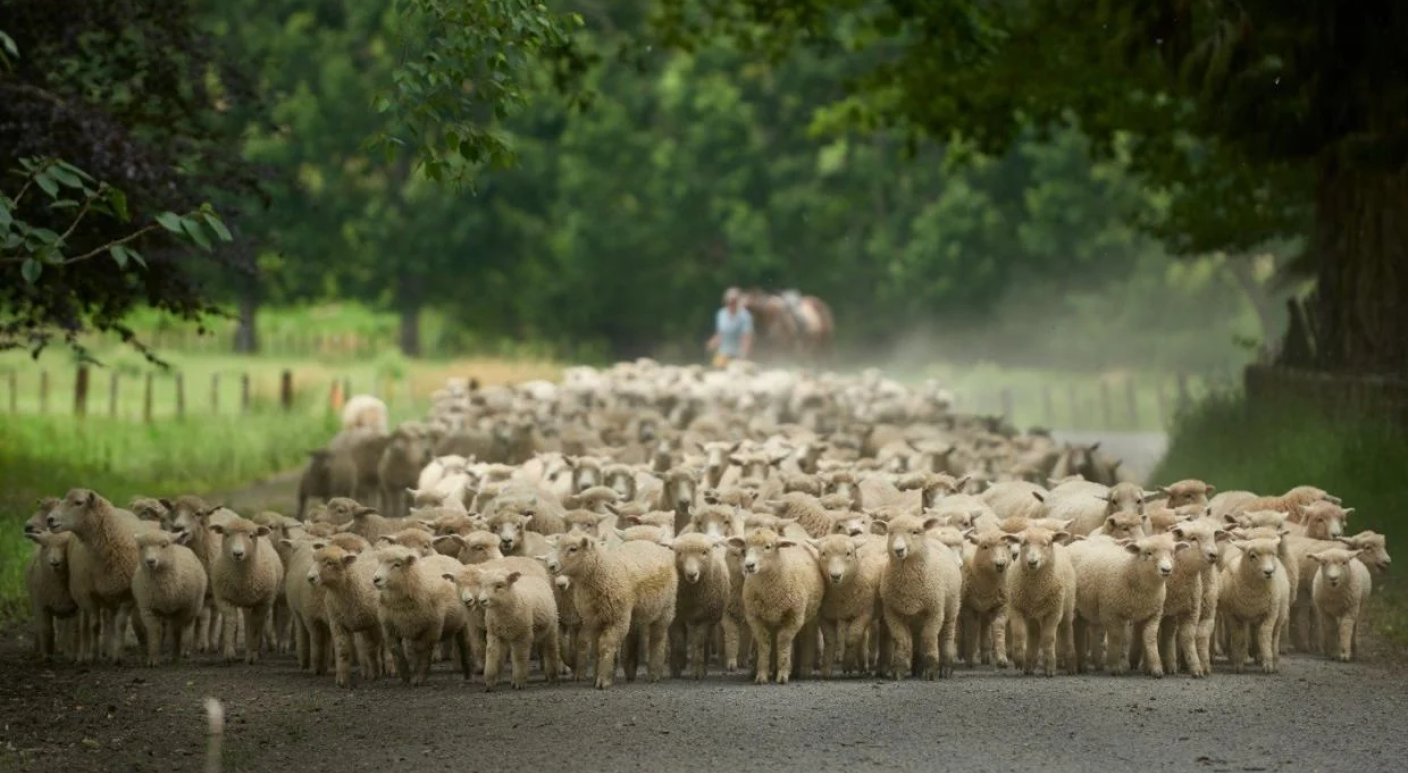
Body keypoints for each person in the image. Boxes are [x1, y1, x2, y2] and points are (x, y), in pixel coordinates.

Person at [706, 287, 753, 367]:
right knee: (716, 368)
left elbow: (746, 337)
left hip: (737, 355)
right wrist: (712, 342)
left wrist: (743, 355)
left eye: (734, 300)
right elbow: (720, 334)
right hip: (723, 354)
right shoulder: (721, 314)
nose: (731, 303)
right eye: (729, 301)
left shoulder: (745, 315)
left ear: (738, 301)